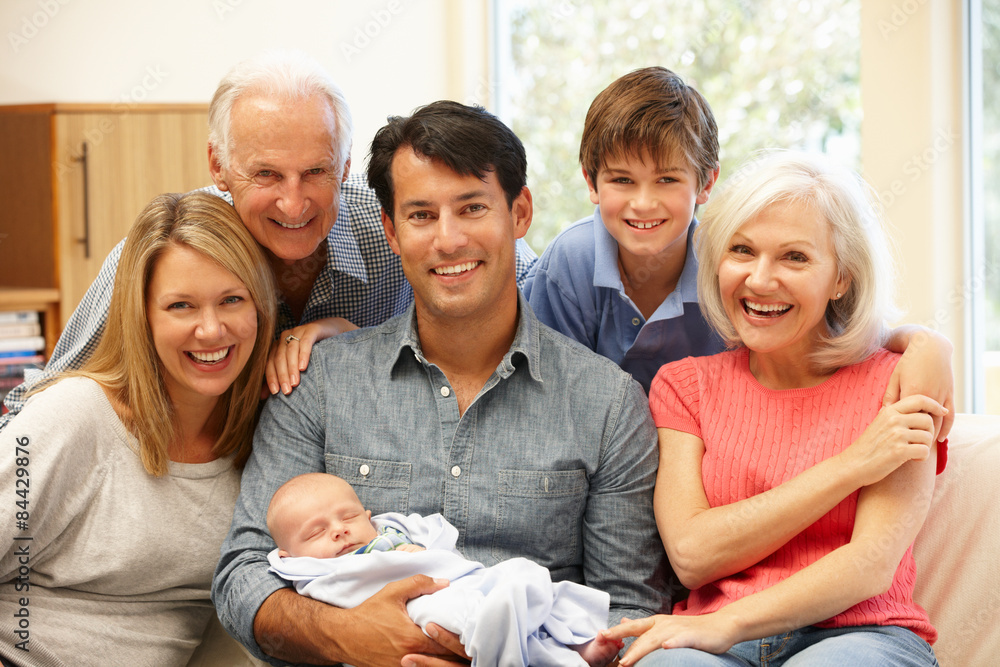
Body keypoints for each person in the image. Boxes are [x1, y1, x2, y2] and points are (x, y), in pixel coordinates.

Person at [212, 100, 668, 667]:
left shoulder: (607, 403)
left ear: (519, 212)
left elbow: (628, 609)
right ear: (391, 230)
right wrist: (348, 635)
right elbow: (242, 576)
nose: (448, 241)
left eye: (472, 208)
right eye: (421, 215)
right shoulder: (319, 384)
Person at [0, 50, 537, 431]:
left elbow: (525, 273)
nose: (294, 203)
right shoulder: (168, 254)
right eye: (266, 175)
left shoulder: (400, 226)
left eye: (316, 172)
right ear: (219, 165)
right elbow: (41, 399)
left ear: (345, 164)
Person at [603, 151, 948, 666]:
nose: (761, 280)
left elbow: (870, 564)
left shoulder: (899, 381)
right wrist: (853, 464)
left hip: (861, 636)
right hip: (715, 641)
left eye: (795, 257)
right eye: (742, 250)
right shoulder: (684, 386)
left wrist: (728, 622)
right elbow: (693, 555)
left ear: (841, 278)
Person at [523, 67, 954, 441]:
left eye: (667, 180)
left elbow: (829, 328)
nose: (644, 203)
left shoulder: (730, 264)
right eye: (622, 180)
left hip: (700, 459)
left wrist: (927, 342)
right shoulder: (573, 259)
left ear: (706, 184)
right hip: (604, 461)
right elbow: (545, 390)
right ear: (591, 182)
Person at [0, 192, 277, 667]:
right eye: (181, 306)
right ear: (142, 316)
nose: (211, 330)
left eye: (232, 300)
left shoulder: (264, 438)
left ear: (261, 308)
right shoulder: (74, 415)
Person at [265, 473, 622, 667]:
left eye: (348, 516)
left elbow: (439, 537)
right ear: (290, 555)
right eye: (316, 532)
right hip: (412, 611)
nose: (339, 530)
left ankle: (576, 640)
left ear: (368, 516)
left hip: (462, 580)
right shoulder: (316, 574)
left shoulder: (393, 530)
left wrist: (418, 548)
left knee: (524, 578)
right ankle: (552, 659)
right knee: (466, 616)